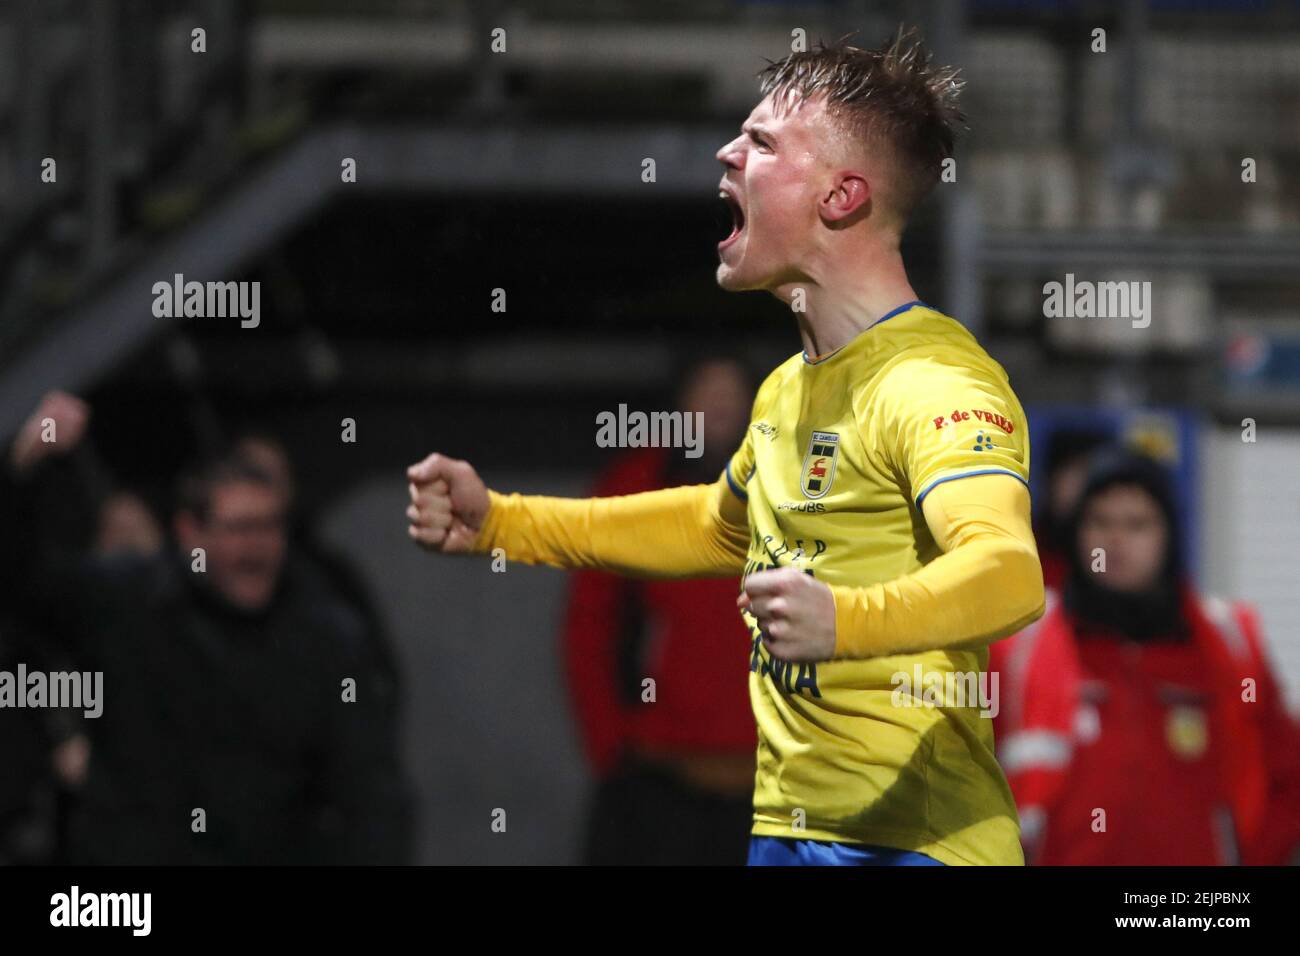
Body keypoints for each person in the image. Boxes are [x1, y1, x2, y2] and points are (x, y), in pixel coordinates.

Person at [407, 31, 1045, 867]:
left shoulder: (934, 381)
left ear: (841, 196)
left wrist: (844, 620)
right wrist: (503, 522)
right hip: (788, 831)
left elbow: (1008, 571)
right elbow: (718, 528)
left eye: (763, 142)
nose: (727, 151)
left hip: (911, 845)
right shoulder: (786, 388)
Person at [2, 392, 409, 864]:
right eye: (239, 528)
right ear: (190, 532)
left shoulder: (321, 633)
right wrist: (22, 473)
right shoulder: (128, 602)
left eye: (270, 527)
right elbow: (21, 583)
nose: (257, 547)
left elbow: (370, 791)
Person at [991, 449, 1300, 865]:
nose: (1116, 540)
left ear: (1169, 534)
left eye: (1137, 524)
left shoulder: (1227, 641)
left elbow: (1288, 776)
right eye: (1100, 522)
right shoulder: (1023, 641)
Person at [565, 357, 757, 865]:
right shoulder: (635, 488)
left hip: (768, 784)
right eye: (706, 391)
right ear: (680, 403)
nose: (719, 407)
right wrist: (612, 749)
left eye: (731, 393)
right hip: (659, 778)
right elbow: (591, 626)